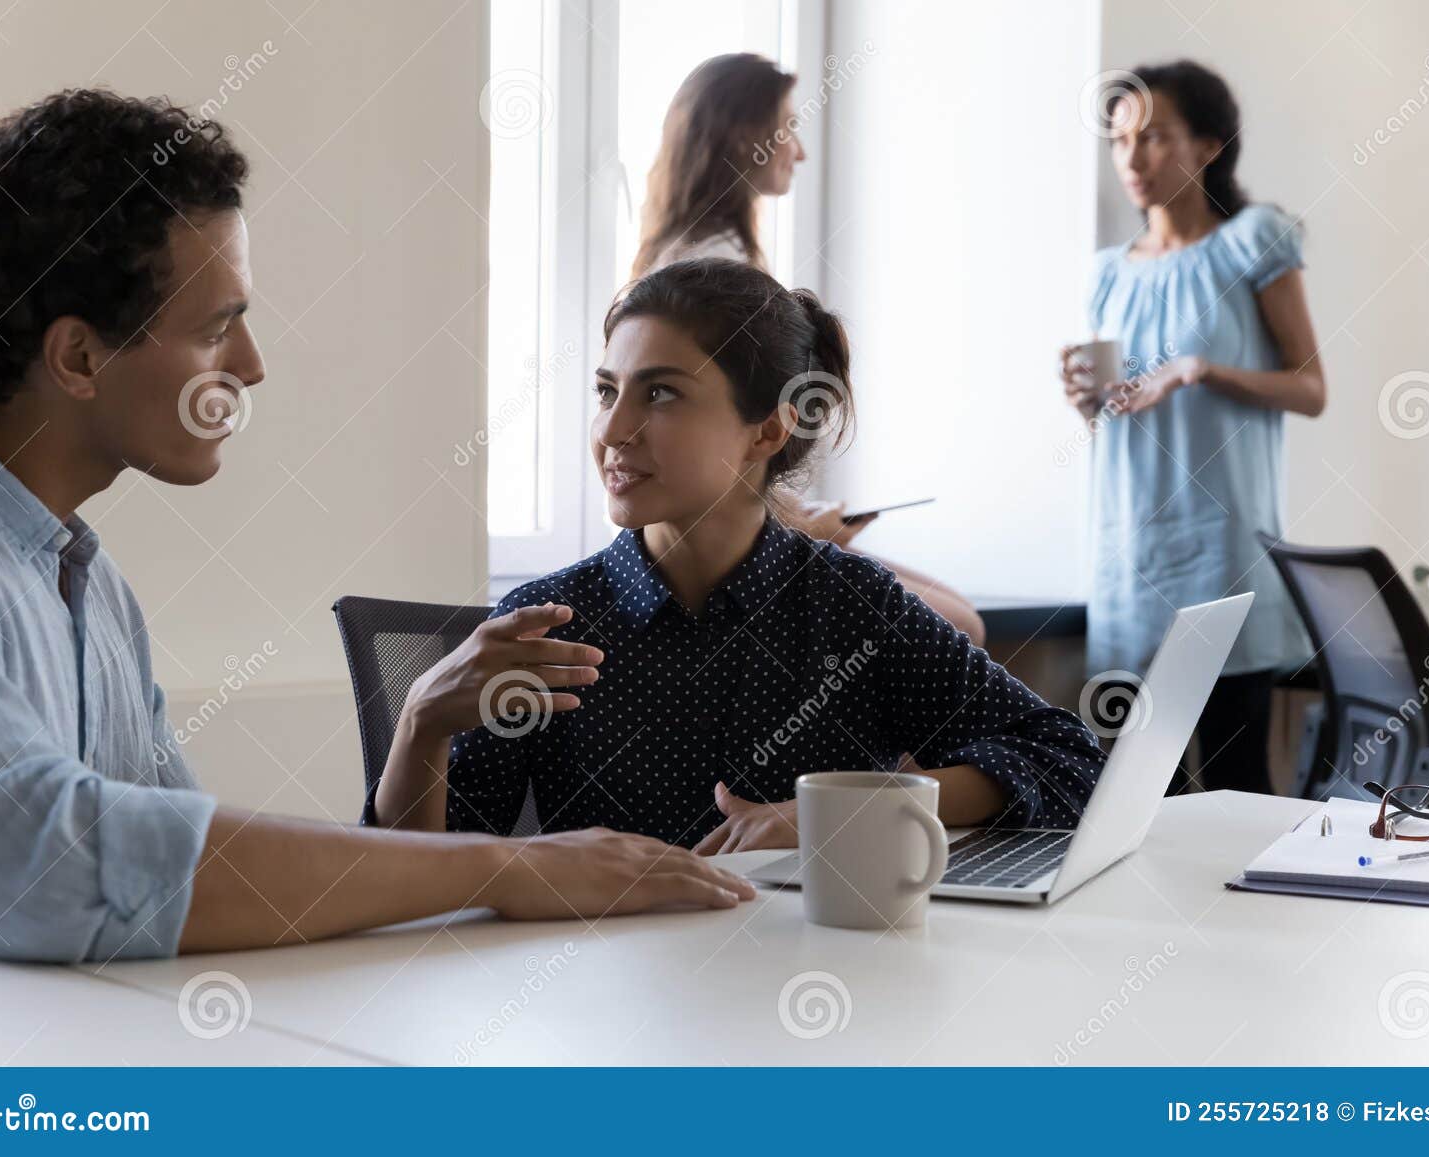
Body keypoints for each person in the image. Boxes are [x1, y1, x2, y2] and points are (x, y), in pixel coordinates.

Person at [0, 89, 755, 965]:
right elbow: (43, 870)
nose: (251, 367)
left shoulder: (87, 584)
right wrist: (508, 866)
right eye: (218, 329)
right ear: (79, 356)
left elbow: (175, 877)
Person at [369, 257, 1106, 852]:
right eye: (606, 390)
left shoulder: (852, 604)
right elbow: (417, 884)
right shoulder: (549, 624)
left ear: (767, 431)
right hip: (601, 1001)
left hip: (823, 995)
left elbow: (1070, 759)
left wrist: (847, 813)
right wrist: (422, 721)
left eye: (659, 394)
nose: (613, 429)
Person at [632, 53, 985, 643]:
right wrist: (798, 523)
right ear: (748, 137)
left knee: (954, 615)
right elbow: (723, 448)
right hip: (721, 539)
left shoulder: (694, 258)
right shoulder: (714, 276)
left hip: (737, 520)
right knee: (959, 624)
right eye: (790, 128)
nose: (800, 150)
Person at [1059, 61, 1326, 794]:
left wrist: (1200, 368)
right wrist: (1085, 398)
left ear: (1208, 146)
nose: (1132, 159)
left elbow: (1311, 388)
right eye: (1119, 141)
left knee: (1239, 792)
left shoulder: (1254, 241)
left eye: (1153, 137)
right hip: (1127, 562)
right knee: (1135, 803)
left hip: (1223, 562)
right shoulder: (1107, 272)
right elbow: (1115, 410)